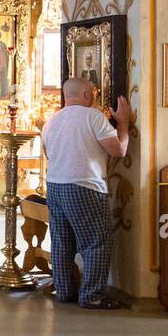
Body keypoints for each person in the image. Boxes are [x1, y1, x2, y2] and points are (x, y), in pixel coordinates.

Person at [40, 78, 131, 309]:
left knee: (61, 242)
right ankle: (92, 295)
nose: (94, 96)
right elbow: (119, 150)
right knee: (96, 242)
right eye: (92, 92)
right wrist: (123, 124)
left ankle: (64, 290)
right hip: (85, 186)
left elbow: (47, 153)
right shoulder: (93, 117)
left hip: (55, 186)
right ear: (86, 94)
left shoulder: (52, 120)